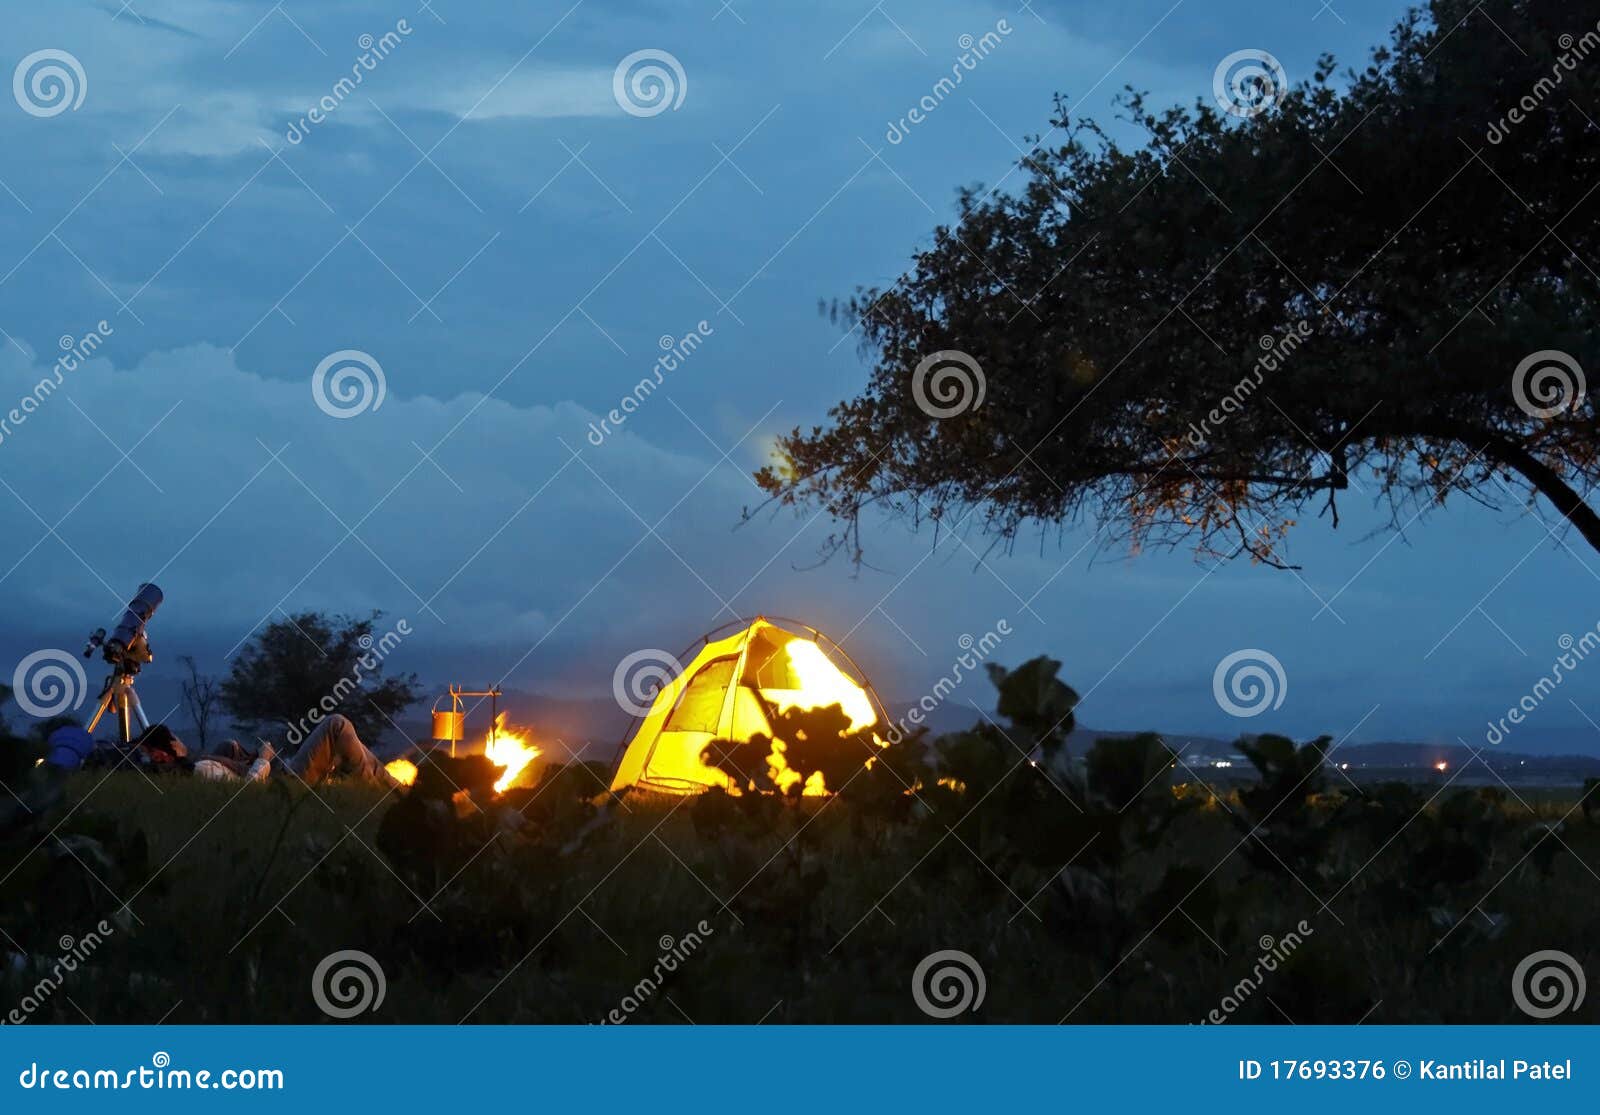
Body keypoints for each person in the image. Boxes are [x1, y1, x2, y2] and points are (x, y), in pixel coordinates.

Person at [194, 714, 401, 788]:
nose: (179, 742)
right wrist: (264, 759)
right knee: (336, 725)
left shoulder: (203, 764)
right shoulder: (201, 769)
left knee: (352, 743)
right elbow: (247, 790)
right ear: (163, 753)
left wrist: (235, 752)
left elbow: (233, 776)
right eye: (174, 740)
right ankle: (378, 788)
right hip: (287, 780)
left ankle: (395, 788)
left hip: (283, 770)